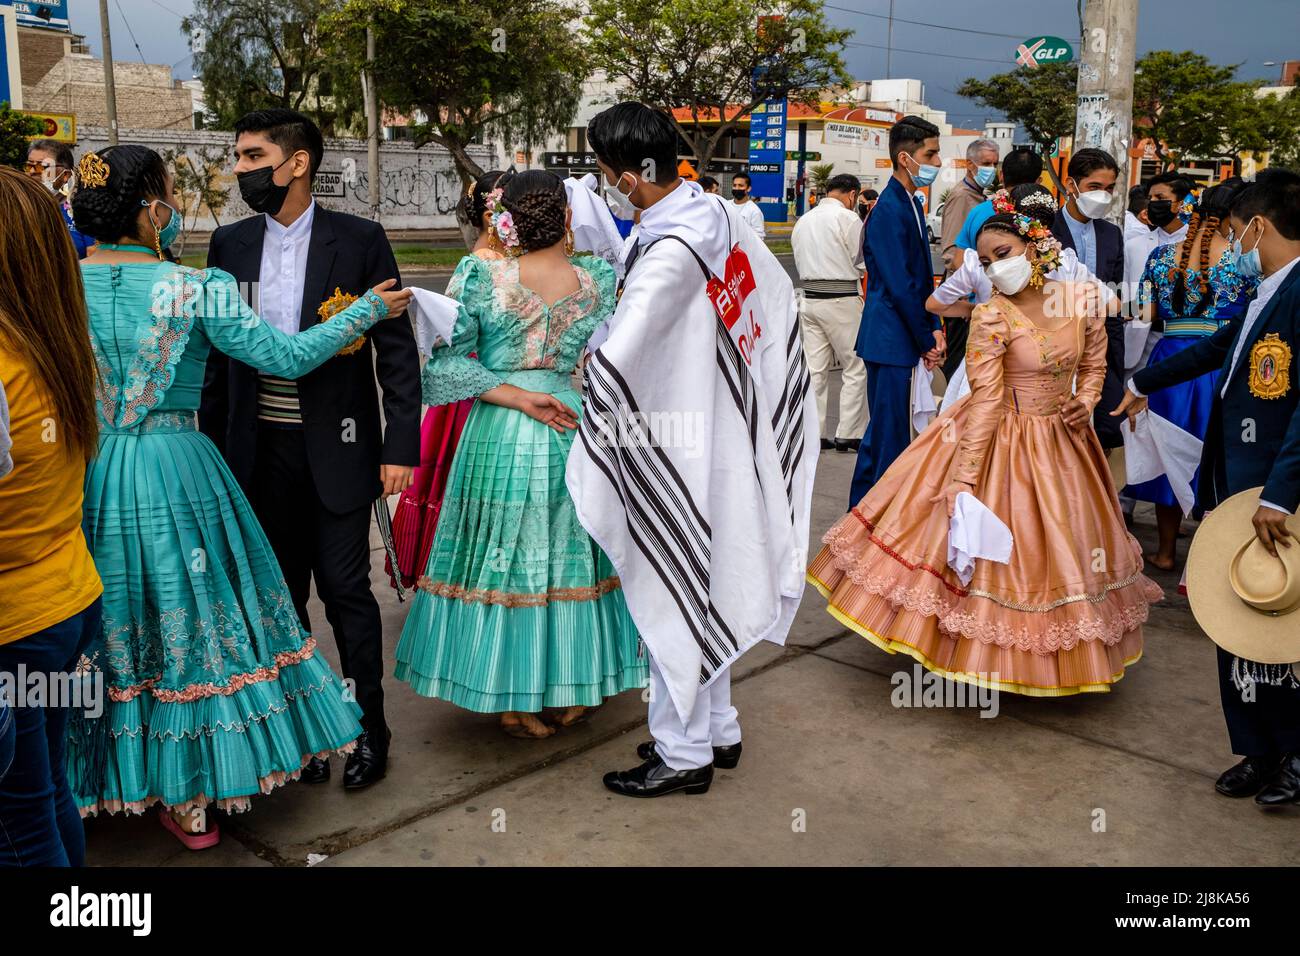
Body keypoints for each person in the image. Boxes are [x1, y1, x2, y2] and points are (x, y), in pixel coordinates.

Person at [66, 145, 411, 847]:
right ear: (149, 209)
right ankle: (191, 792)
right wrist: (365, 312)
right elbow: (285, 358)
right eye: (166, 193)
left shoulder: (57, 287)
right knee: (189, 620)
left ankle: (92, 780)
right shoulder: (195, 288)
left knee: (106, 620)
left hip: (90, 471)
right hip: (175, 469)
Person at [811, 191, 1162, 696]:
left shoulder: (1080, 300)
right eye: (987, 259)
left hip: (1064, 442)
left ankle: (1052, 658)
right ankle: (973, 651)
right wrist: (963, 479)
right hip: (996, 434)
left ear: (1036, 248)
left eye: (1004, 253)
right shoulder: (991, 316)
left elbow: (1093, 366)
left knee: (1063, 548)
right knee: (980, 552)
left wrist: (1084, 404)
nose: (995, 268)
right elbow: (985, 402)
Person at [569, 102, 817, 797]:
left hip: (679, 444)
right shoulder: (717, 220)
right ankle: (719, 728)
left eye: (603, 172)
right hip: (726, 432)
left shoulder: (670, 252)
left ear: (626, 175)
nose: (602, 183)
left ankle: (682, 755)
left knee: (673, 585)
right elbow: (770, 308)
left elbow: (620, 356)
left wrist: (586, 384)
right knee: (710, 580)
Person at [200, 109, 420, 791]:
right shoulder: (228, 245)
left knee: (348, 594)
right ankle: (301, 738)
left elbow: (396, 352)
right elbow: (215, 362)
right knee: (281, 599)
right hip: (255, 452)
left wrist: (401, 445)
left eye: (251, 155)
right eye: (236, 156)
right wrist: (212, 453)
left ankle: (367, 732)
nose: (240, 168)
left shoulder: (358, 240)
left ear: (296, 163)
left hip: (341, 448)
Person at [392, 169, 646, 738]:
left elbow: (447, 362)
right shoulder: (599, 277)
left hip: (503, 423)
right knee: (570, 552)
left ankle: (511, 696)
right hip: (574, 421)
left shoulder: (482, 272)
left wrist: (515, 394)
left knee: (503, 553)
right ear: (568, 216)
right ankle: (572, 686)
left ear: (505, 213)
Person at [1114, 169, 1300, 804]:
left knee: (1285, 625)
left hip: (1277, 497)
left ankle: (1294, 757)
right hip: (1236, 487)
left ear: (1259, 226)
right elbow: (1219, 347)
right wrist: (1143, 384)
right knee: (1237, 621)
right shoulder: (1261, 290)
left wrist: (1282, 491)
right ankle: (1257, 749)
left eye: (1242, 230)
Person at [0, 167, 103, 866]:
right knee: (44, 797)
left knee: (21, 828)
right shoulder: (51, 344)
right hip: (65, 602)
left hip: (18, 625)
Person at [1125, 179, 1256, 571]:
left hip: (1169, 364)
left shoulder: (1163, 257)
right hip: (1218, 364)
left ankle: (1165, 552)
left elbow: (1144, 314)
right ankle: (1206, 563)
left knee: (1170, 456)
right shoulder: (1243, 261)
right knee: (1213, 458)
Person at [387, 169, 504, 591]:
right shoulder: (482, 263)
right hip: (476, 385)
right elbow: (454, 331)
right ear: (495, 213)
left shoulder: (499, 259)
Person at [851, 115, 945, 506]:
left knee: (890, 435)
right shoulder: (890, 207)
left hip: (901, 337)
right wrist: (927, 338)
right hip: (891, 339)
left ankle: (866, 518)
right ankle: (865, 520)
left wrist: (935, 325)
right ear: (905, 158)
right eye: (931, 154)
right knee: (887, 439)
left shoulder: (910, 202)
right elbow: (900, 284)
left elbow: (922, 276)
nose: (938, 162)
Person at [1052, 147, 1127, 450]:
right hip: (1056, 341)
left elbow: (1115, 290)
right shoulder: (1045, 229)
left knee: (1108, 430)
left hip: (1102, 344)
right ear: (1071, 186)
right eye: (1094, 187)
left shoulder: (1112, 234)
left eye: (1109, 189)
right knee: (1060, 427)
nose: (1103, 195)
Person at [791, 172, 867, 452]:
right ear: (852, 195)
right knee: (855, 366)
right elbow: (860, 261)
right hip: (842, 298)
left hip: (809, 299)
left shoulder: (804, 220)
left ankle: (816, 432)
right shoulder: (848, 218)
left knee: (815, 370)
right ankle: (849, 432)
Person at [954, 146, 1043, 255]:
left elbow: (958, 261)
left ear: (1001, 176)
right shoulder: (1043, 216)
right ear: (1038, 181)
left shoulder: (978, 213)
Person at [1124, 171, 1193, 293]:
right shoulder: (1133, 246)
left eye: (1160, 197)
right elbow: (1128, 292)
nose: (1153, 202)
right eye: (1150, 198)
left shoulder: (1200, 246)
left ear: (1181, 203)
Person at [24, 139, 94, 258]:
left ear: (66, 175)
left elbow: (93, 254)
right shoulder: (17, 208)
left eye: (43, 166)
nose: (32, 171)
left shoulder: (83, 211)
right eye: (29, 165)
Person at [941, 139, 999, 275]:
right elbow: (951, 251)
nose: (992, 169)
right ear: (969, 164)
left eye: (995, 164)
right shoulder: (962, 196)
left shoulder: (977, 194)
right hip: (964, 286)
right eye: (986, 163)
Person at [730, 171, 766, 239]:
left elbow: (759, 237)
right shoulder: (726, 205)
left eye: (741, 186)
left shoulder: (754, 211)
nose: (737, 188)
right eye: (734, 185)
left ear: (748, 188)